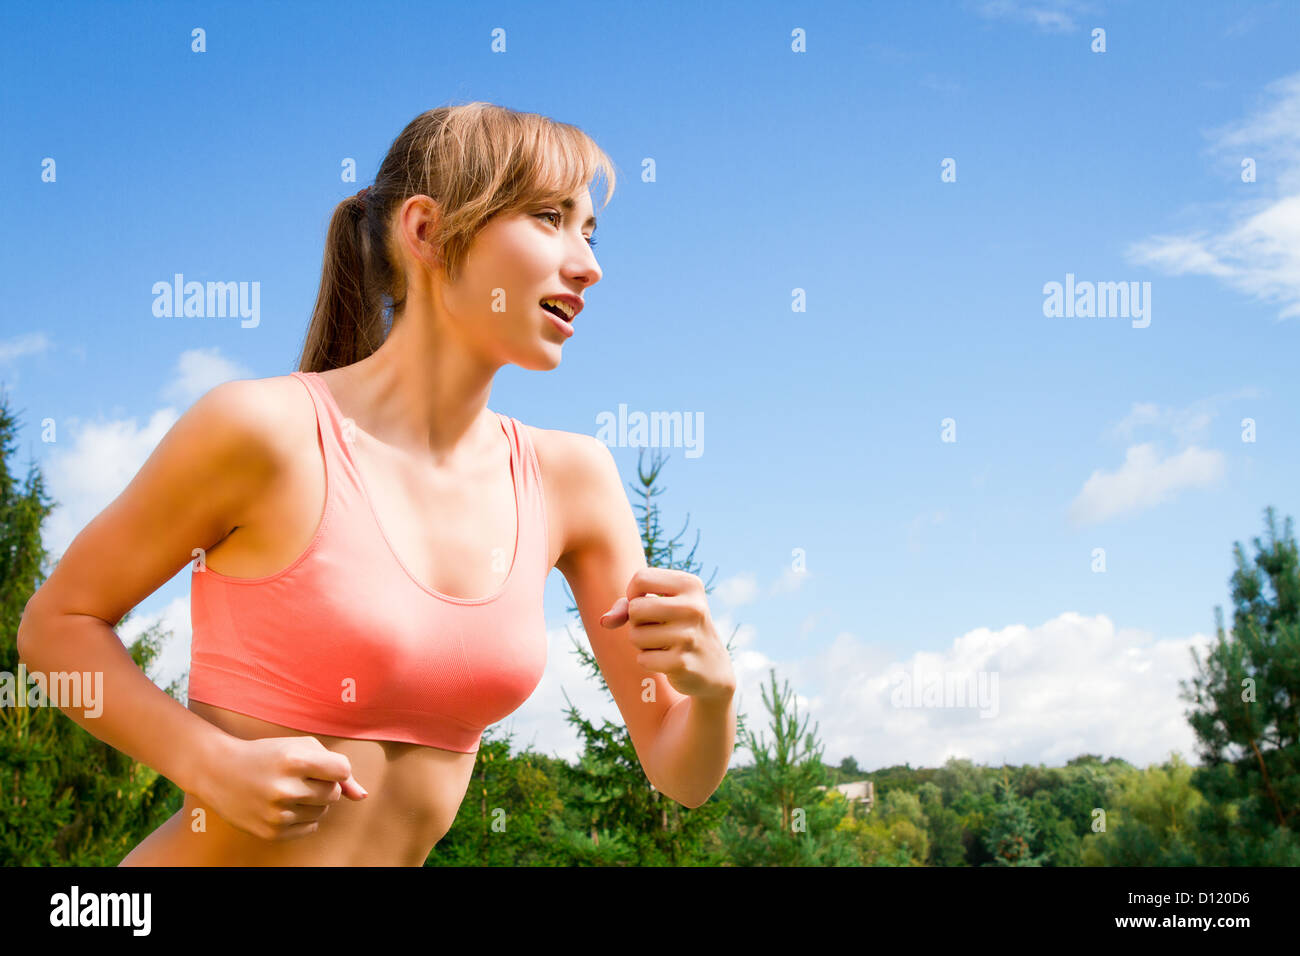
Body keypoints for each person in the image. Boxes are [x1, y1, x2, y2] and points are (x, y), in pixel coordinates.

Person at [16, 102, 736, 866]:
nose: (589, 263)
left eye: (589, 231)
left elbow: (677, 771)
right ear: (425, 231)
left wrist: (713, 692)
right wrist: (211, 764)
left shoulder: (573, 481)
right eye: (550, 218)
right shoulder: (265, 433)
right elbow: (56, 626)